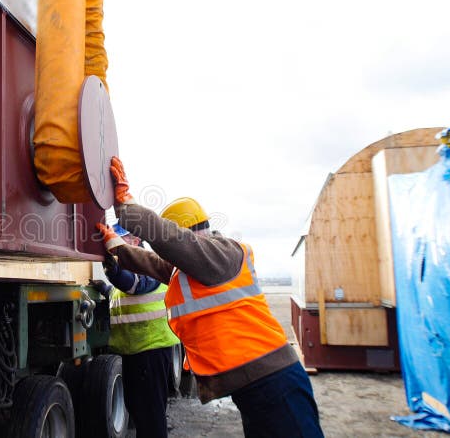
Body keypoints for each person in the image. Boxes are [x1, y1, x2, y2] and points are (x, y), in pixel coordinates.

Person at [96, 157, 324, 438]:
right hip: (256, 387)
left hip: (275, 384)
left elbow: (170, 240)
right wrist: (116, 247)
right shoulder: (194, 268)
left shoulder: (222, 253)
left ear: (188, 233)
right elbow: (154, 264)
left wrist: (126, 207)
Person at [96, 223, 180, 438]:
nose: (115, 247)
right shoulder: (132, 268)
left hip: (150, 349)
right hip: (137, 350)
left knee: (150, 414)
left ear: (134, 240)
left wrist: (112, 271)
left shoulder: (147, 263)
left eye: (119, 241)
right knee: (139, 409)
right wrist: (105, 289)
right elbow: (123, 294)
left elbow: (135, 285)